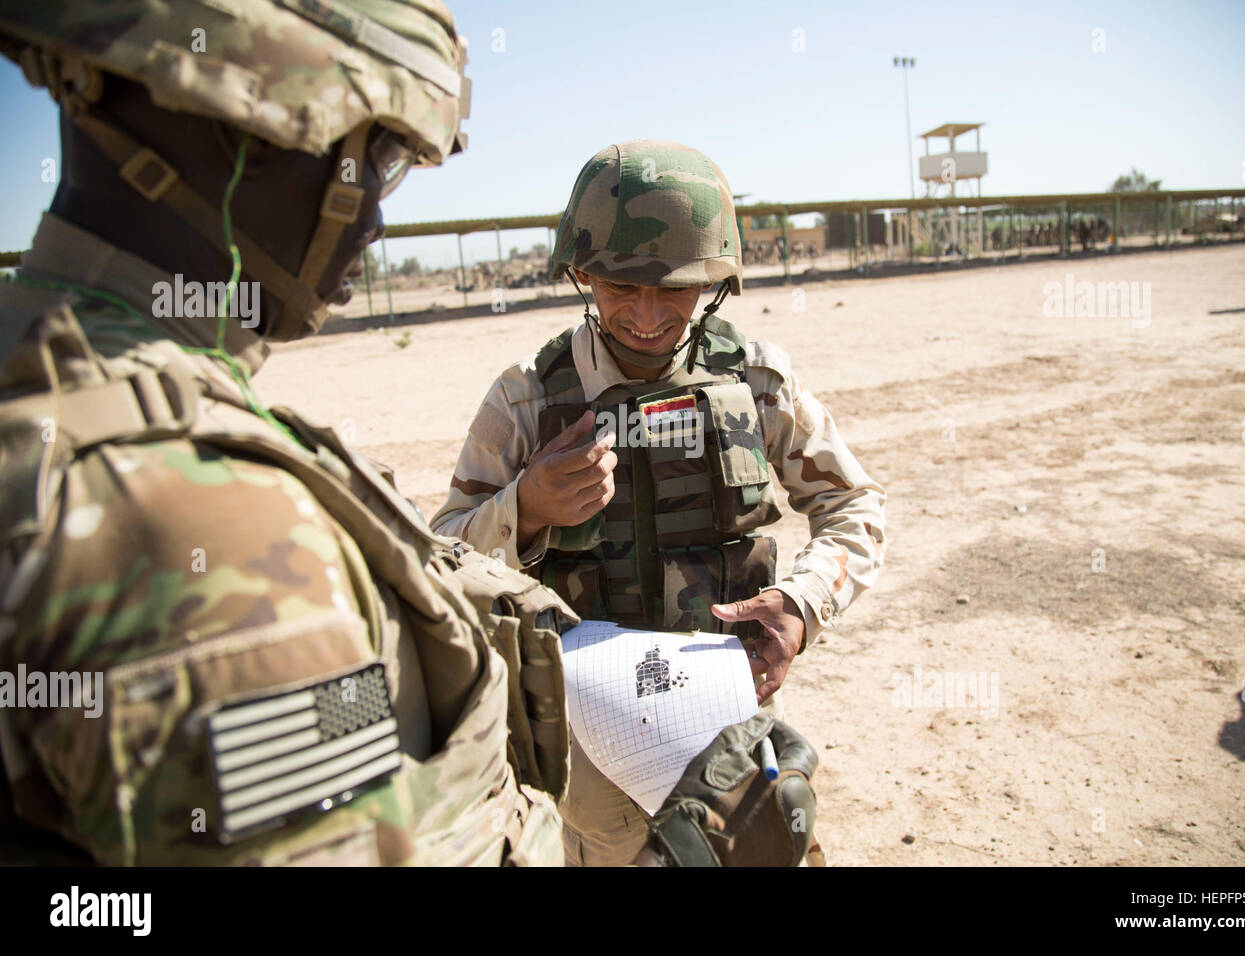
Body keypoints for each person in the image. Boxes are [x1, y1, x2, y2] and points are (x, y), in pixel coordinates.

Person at [0, 2, 815, 867]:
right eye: (372, 160)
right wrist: (696, 853)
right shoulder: (196, 510)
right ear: (251, 134)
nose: (373, 222)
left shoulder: (78, 409)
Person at [430, 139, 886, 865]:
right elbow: (442, 560)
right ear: (581, 274)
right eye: (618, 287)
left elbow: (855, 507)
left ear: (715, 280)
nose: (647, 315)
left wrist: (800, 605)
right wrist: (528, 506)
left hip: (730, 735)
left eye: (675, 287)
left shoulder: (759, 381)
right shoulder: (525, 398)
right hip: (593, 757)